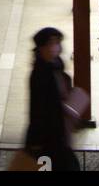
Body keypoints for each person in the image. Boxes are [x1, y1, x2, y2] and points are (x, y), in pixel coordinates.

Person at [23, 27, 81, 171]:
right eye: (51, 43)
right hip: (46, 137)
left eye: (57, 42)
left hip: (59, 133)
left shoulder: (56, 67)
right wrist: (36, 141)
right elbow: (37, 110)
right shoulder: (39, 75)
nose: (55, 47)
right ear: (41, 47)